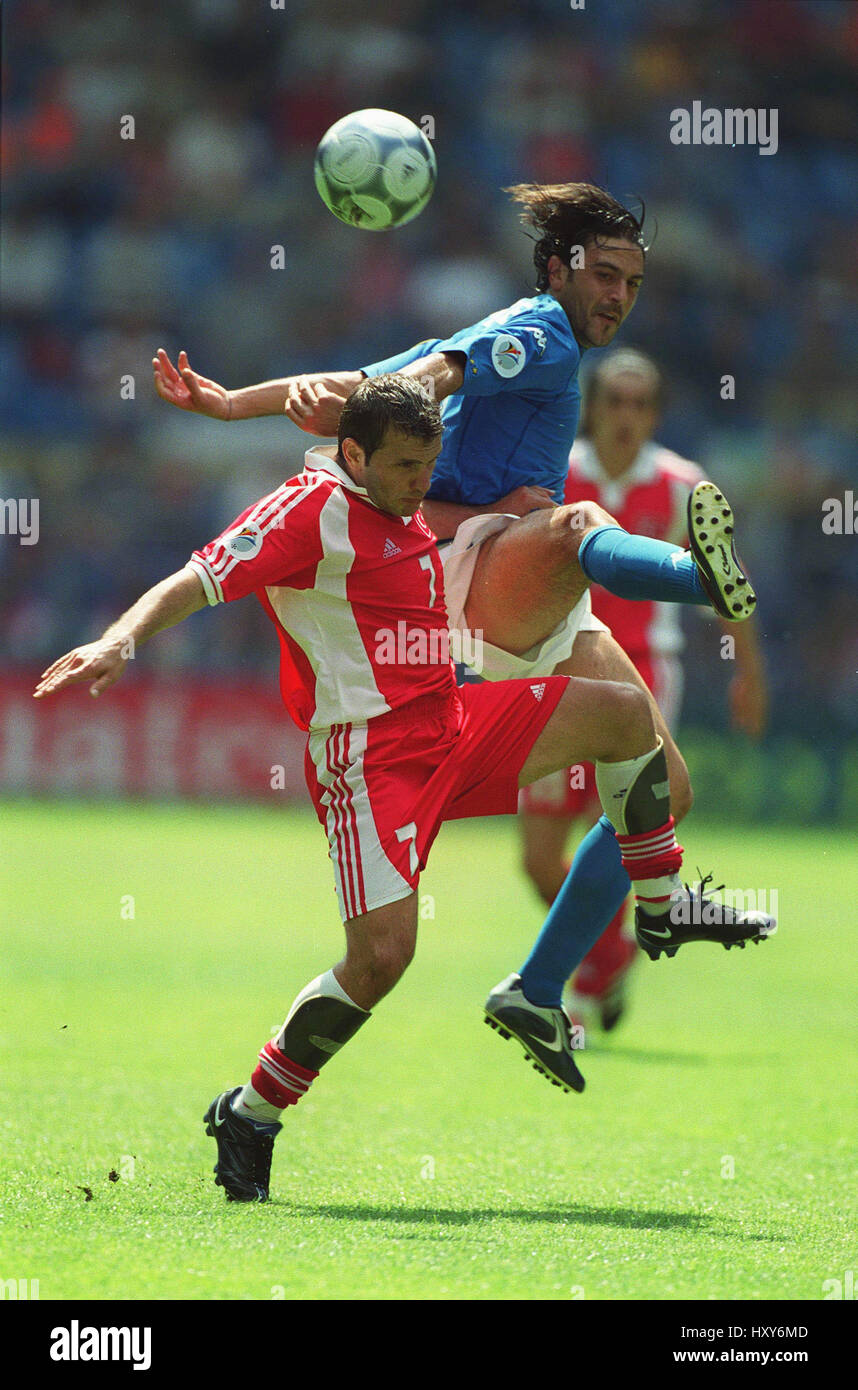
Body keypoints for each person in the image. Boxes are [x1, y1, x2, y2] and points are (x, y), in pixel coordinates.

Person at [35, 378, 774, 1202]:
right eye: (408, 467)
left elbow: (435, 516)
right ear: (354, 456)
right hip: (370, 761)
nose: (422, 482)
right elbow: (198, 578)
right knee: (382, 960)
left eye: (429, 464)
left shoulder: (401, 491)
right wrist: (120, 639)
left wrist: (506, 511)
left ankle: (661, 900)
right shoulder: (304, 510)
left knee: (626, 715)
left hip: (455, 720)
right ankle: (251, 1111)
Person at [151, 180, 759, 1058]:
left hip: (520, 576)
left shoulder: (503, 327)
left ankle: (539, 989)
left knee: (662, 784)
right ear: (559, 268)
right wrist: (393, 402)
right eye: (605, 275)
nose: (619, 296)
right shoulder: (538, 332)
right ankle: (698, 580)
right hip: (482, 565)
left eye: (633, 282)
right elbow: (437, 380)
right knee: (581, 523)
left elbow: (370, 380)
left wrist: (228, 403)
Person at [519, 349, 769, 1030]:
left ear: (654, 414)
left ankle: (581, 973)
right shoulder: (555, 475)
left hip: (645, 675)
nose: (626, 417)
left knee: (629, 831)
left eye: (639, 404)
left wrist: (748, 670)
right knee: (540, 860)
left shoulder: (684, 484)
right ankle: (610, 959)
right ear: (593, 408)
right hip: (555, 669)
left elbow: (726, 584)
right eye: (614, 402)